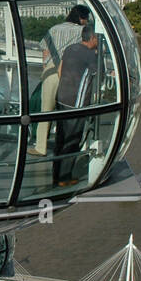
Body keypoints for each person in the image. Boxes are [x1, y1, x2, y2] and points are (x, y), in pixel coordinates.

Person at [32, 5, 91, 157]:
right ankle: (63, 146)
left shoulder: (54, 29)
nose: (87, 21)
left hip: (51, 71)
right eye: (86, 18)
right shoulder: (82, 32)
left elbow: (45, 52)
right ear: (81, 18)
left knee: (46, 110)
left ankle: (40, 147)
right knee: (66, 111)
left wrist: (46, 68)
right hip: (72, 73)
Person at [52, 24, 98, 187]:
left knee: (61, 137)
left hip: (62, 98)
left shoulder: (71, 48)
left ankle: (55, 174)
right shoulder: (90, 55)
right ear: (92, 38)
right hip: (76, 103)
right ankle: (64, 178)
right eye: (97, 38)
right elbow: (97, 75)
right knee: (72, 141)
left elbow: (60, 71)